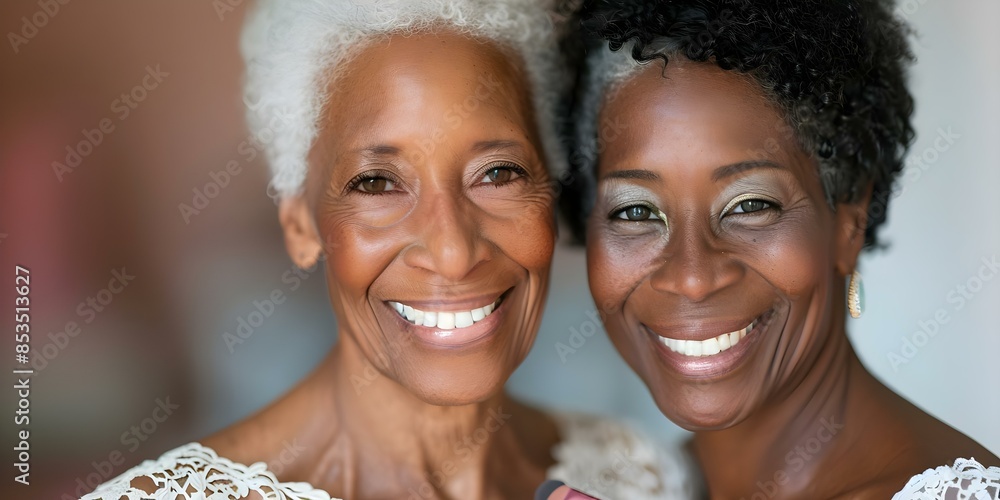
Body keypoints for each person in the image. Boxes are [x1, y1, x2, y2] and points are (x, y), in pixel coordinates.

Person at [81, 1, 698, 499]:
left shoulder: (637, 475)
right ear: (300, 225)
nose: (453, 251)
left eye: (498, 173)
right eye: (376, 183)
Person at [567, 0, 1000, 498]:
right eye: (636, 212)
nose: (692, 277)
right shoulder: (639, 485)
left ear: (848, 218)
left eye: (751, 205)